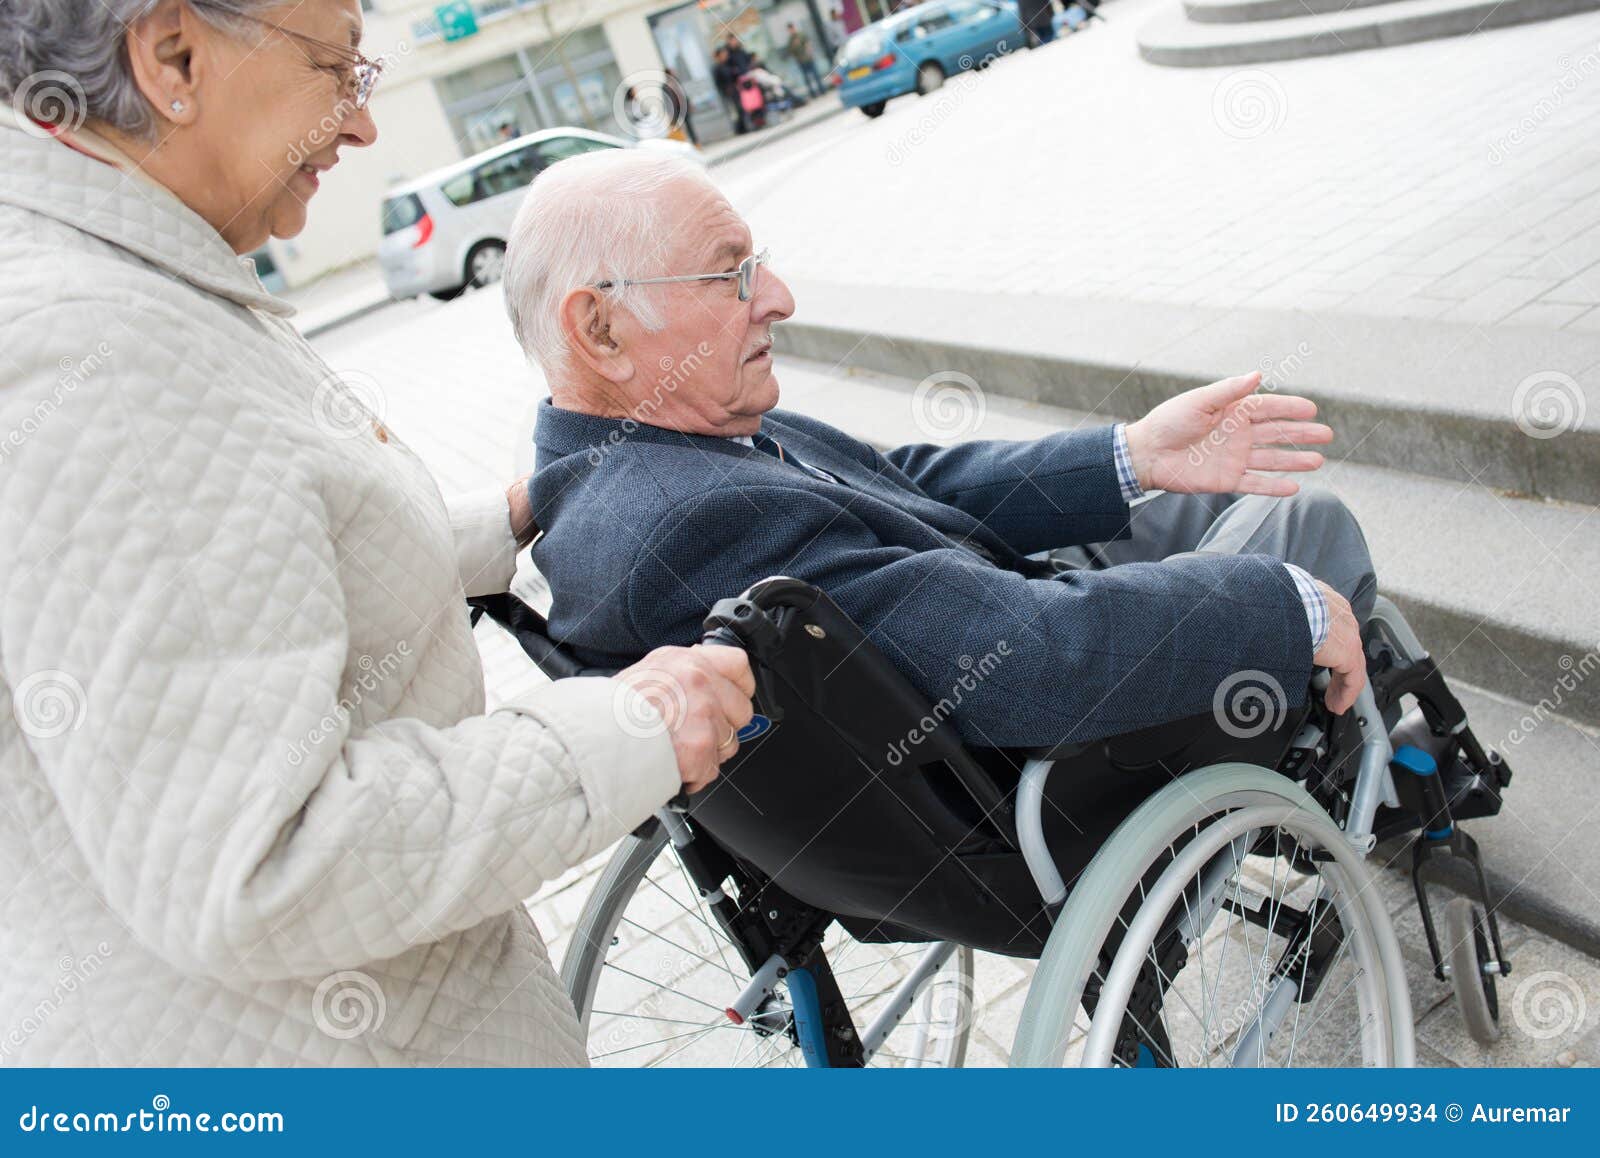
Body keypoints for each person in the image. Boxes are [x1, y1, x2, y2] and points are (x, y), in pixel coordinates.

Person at [0, 0, 753, 1067]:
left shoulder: (117, 279)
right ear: (173, 56)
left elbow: (234, 590)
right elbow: (259, 860)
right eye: (337, 68)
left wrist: (498, 524)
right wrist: (624, 732)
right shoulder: (96, 345)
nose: (359, 126)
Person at [501, 151, 1378, 754]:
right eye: (729, 273)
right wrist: (1285, 604)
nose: (778, 296)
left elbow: (899, 488)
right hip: (1053, 741)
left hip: (980, 613)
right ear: (602, 328)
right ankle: (1370, 792)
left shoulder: (628, 464)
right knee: (1306, 527)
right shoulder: (696, 519)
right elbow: (1038, 660)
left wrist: (1134, 453)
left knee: (1203, 503)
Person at [785, 22, 825, 98]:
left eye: (791, 29)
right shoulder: (790, 40)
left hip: (808, 59)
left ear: (794, 28)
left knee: (816, 76)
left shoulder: (801, 35)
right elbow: (790, 52)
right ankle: (813, 93)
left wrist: (809, 53)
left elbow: (808, 44)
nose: (791, 31)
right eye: (789, 30)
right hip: (801, 61)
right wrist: (794, 46)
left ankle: (822, 90)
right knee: (807, 79)